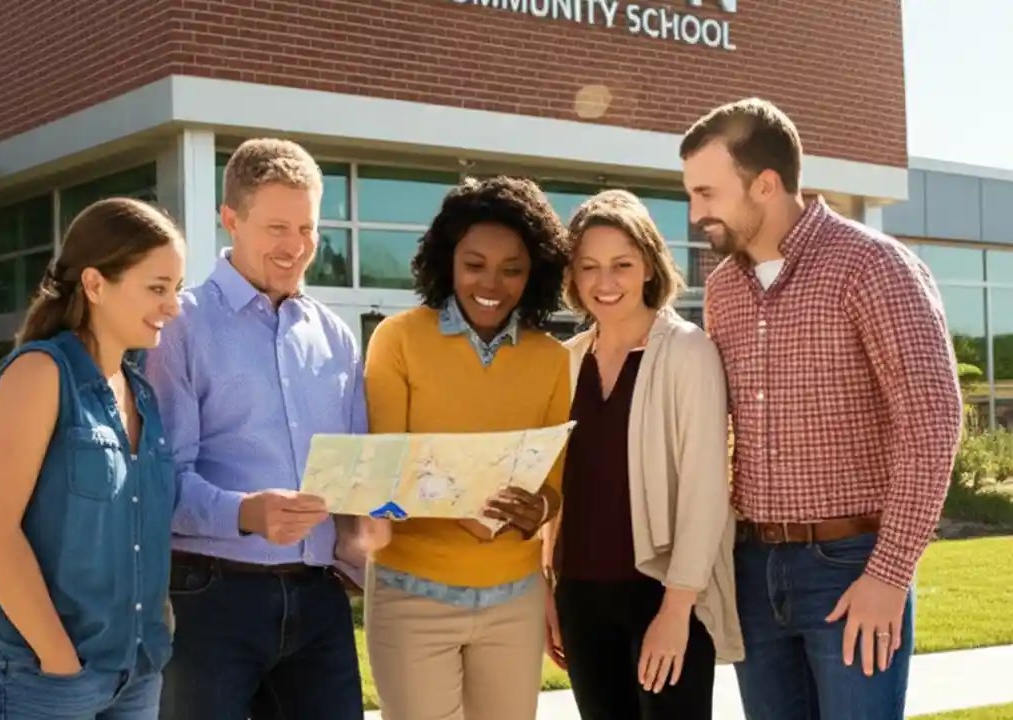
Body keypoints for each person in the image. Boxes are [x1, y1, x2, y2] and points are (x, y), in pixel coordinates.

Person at [681, 98, 964, 719]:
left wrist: (889, 574)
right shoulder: (724, 287)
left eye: (707, 192)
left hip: (851, 567)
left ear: (765, 184)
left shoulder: (873, 265)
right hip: (754, 567)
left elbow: (933, 421)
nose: (696, 212)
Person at [146, 138, 371, 720]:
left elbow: (355, 477)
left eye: (308, 228)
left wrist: (370, 529)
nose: (296, 248)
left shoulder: (338, 337)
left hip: (319, 599)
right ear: (231, 219)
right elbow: (160, 483)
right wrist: (247, 513)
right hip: (210, 598)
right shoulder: (179, 327)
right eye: (276, 227)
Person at [0, 197, 187, 720]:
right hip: (41, 679)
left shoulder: (140, 391)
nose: (173, 306)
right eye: (157, 288)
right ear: (94, 284)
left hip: (134, 671)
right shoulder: (40, 374)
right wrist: (58, 657)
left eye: (176, 288)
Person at [360, 175, 571, 720]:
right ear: (447, 260)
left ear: (537, 272)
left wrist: (539, 509)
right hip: (412, 596)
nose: (492, 284)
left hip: (514, 602)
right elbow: (384, 475)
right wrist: (463, 509)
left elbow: (553, 484)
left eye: (513, 269)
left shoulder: (551, 359)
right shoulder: (398, 339)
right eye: (474, 264)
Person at [540, 189, 744, 720]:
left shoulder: (687, 351)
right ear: (573, 277)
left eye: (621, 265)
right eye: (589, 267)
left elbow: (706, 489)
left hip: (663, 595)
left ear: (649, 266)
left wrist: (677, 611)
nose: (605, 283)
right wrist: (548, 590)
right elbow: (551, 490)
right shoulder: (566, 361)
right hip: (581, 598)